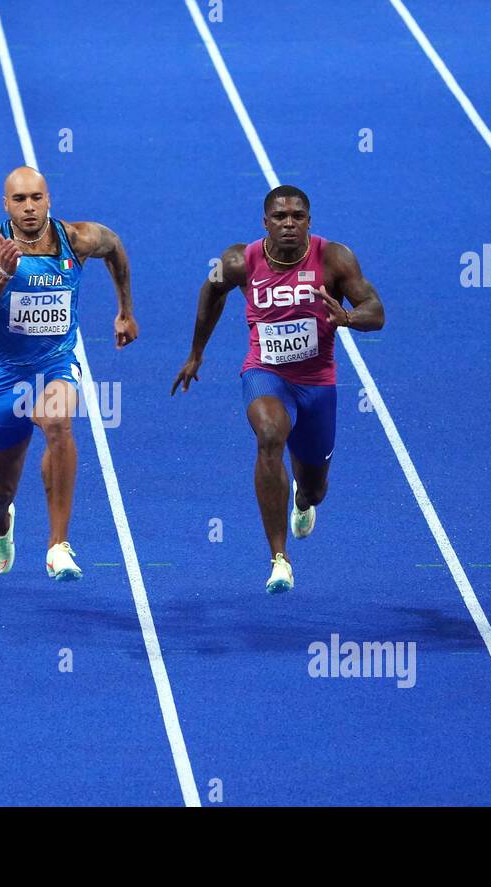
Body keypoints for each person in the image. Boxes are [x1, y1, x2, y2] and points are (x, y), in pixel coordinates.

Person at [172, 185, 385, 592]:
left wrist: (350, 317)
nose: (289, 223)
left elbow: (377, 310)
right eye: (280, 217)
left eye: (298, 216)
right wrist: (196, 353)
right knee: (269, 435)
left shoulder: (335, 259)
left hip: (317, 383)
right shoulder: (239, 260)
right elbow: (211, 290)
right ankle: (279, 558)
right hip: (265, 373)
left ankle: (302, 501)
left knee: (315, 487)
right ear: (265, 223)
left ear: (309, 221)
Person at [0, 166, 138, 580]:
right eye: (19, 200)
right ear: (6, 204)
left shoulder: (75, 239)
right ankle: (2, 523)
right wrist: (2, 276)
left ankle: (58, 545)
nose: (29, 208)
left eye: (36, 198)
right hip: (4, 376)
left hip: (55, 363)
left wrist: (125, 311)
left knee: (57, 421)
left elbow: (115, 248)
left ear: (48, 200)